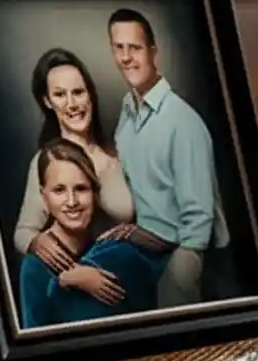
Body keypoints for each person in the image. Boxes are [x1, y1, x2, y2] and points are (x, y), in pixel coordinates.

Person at [107, 8, 229, 307]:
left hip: (182, 253)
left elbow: (198, 221)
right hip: (145, 245)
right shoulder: (127, 112)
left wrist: (176, 266)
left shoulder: (183, 122)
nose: (126, 57)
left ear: (153, 51)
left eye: (134, 47)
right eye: (118, 48)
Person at [18, 139, 176, 328]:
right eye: (59, 190)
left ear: (95, 192)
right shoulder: (34, 267)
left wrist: (138, 235)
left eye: (81, 189)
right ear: (44, 196)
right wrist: (65, 281)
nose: (71, 201)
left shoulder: (112, 250)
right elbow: (34, 342)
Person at [14, 48, 134, 271]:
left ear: (90, 95)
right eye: (60, 95)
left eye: (78, 92)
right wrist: (37, 242)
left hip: (129, 270)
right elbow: (23, 233)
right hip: (83, 280)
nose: (72, 104)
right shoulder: (47, 161)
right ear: (48, 101)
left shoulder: (118, 151)